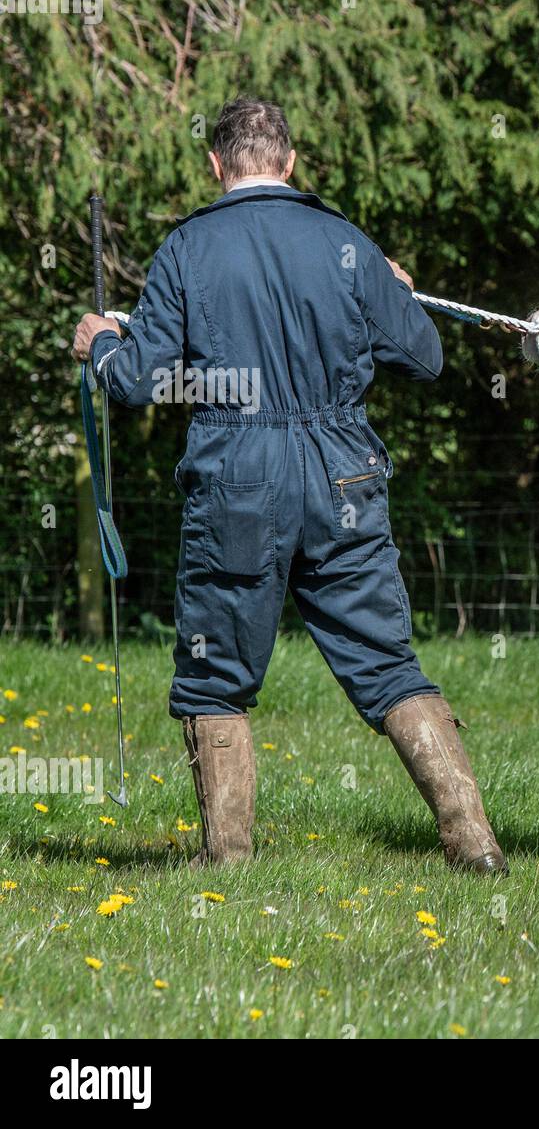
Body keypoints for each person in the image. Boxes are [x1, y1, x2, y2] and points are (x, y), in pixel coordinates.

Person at [72, 97, 506, 874]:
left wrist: (102, 344)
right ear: (291, 161)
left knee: (215, 675)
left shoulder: (189, 247)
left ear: (216, 165)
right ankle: (474, 844)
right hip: (343, 471)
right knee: (388, 666)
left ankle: (227, 862)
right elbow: (425, 358)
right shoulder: (345, 241)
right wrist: (393, 291)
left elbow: (136, 382)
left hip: (238, 474)